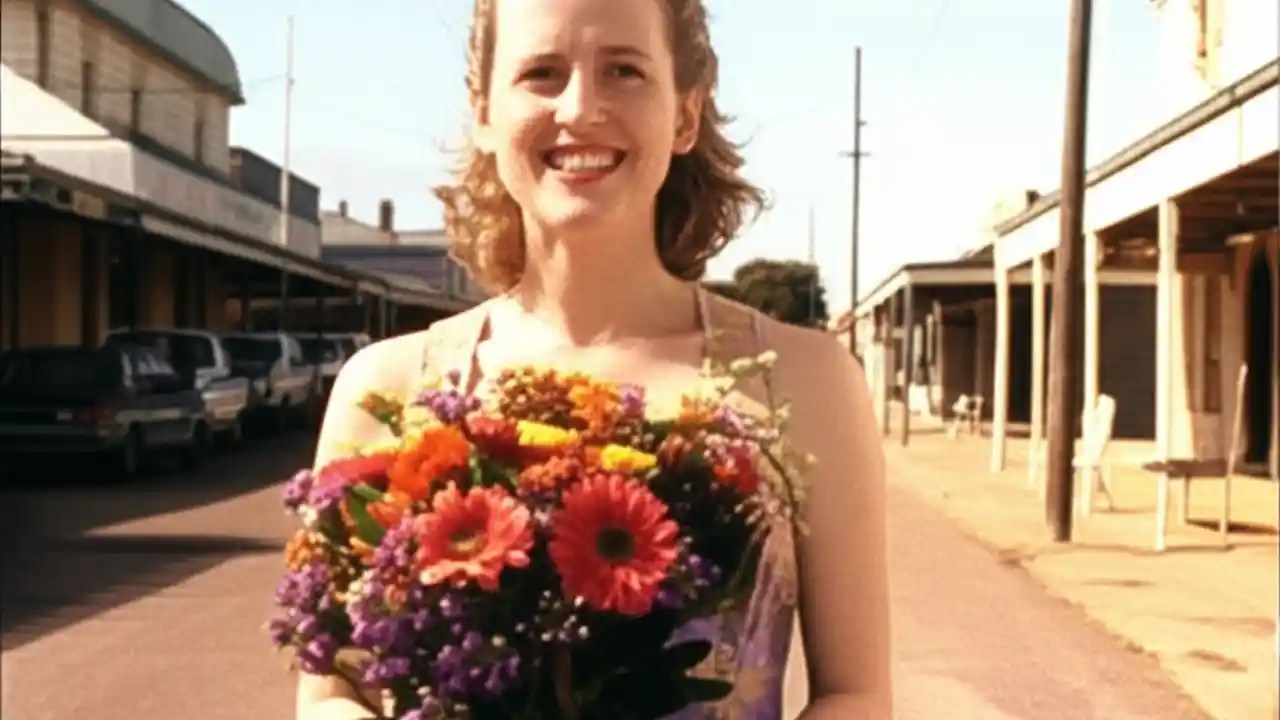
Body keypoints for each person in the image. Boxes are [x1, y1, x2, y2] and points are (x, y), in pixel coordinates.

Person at [297, 0, 892, 717]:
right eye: (542, 72)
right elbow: (331, 690)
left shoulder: (805, 380)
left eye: (624, 70)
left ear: (685, 114)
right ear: (483, 111)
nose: (580, 108)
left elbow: (855, 694)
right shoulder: (387, 388)